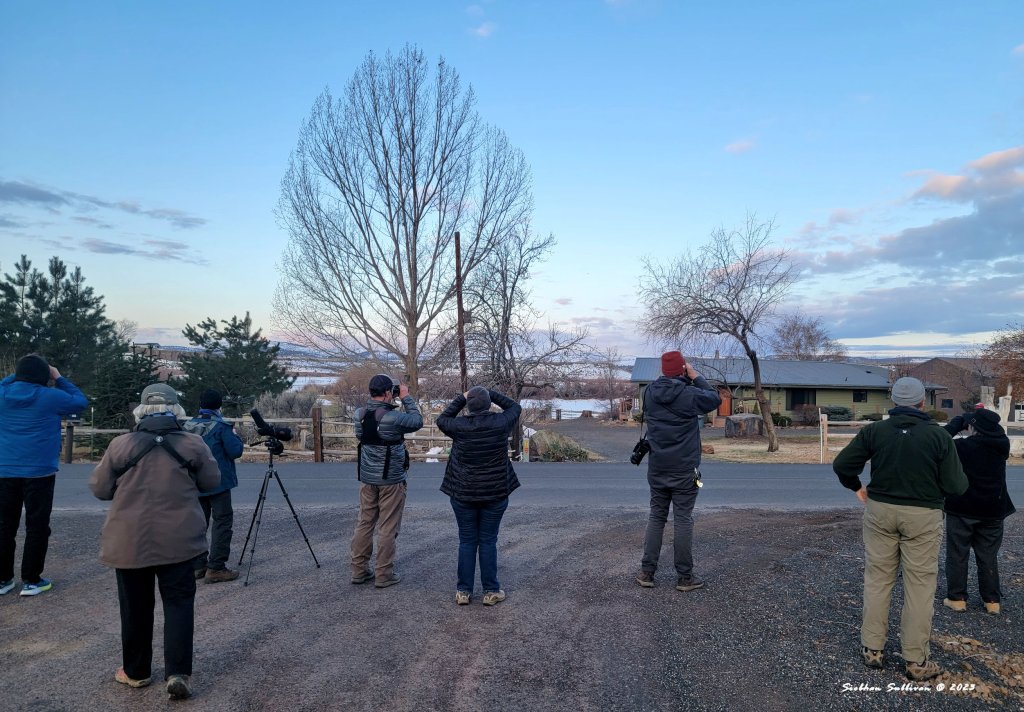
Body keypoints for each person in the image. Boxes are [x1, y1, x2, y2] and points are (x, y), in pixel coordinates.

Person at [89, 383, 221, 700]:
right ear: (176, 411)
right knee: (178, 604)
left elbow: (100, 489)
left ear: (141, 411)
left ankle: (136, 672)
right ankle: (178, 672)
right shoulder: (193, 444)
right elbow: (211, 482)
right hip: (179, 539)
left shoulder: (120, 445)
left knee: (135, 607)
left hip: (129, 540)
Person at [833, 376, 968, 681]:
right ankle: (916, 661)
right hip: (923, 515)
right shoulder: (938, 437)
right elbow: (956, 485)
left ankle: (872, 649)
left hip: (880, 511)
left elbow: (843, 465)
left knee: (878, 579)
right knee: (919, 585)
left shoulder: (875, 431)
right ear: (924, 403)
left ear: (893, 402)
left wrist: (857, 487)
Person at [0, 354, 87, 597]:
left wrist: (18, 374)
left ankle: (3, 579)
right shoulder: (50, 397)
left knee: (4, 526)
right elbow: (80, 401)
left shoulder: (3, 394)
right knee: (37, 526)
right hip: (40, 471)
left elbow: (6, 383)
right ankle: (31, 579)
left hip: (4, 469)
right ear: (43, 376)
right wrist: (57, 376)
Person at [636, 351, 722, 592]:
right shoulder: (690, 395)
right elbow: (714, 399)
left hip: (658, 467)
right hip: (685, 469)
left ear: (663, 370)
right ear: (683, 369)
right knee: (683, 519)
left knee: (656, 517)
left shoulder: (650, 393)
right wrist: (695, 376)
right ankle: (685, 577)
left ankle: (647, 572)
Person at [436, 386, 522, 606]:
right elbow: (514, 406)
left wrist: (462, 398)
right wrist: (491, 392)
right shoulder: (501, 423)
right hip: (495, 493)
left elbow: (442, 418)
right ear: (488, 404)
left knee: (466, 541)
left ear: (469, 406)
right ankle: (491, 590)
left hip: (463, 492)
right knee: (487, 541)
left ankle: (463, 591)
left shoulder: (459, 426)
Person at [351, 374, 422, 588]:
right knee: (387, 527)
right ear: (388, 393)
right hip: (391, 480)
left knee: (365, 523)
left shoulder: (359, 414)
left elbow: (360, 436)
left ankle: (359, 570)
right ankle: (384, 574)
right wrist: (406, 397)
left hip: (367, 478)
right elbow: (417, 421)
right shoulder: (393, 418)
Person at [941, 408, 1015, 615]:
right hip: (993, 508)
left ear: (973, 427)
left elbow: (941, 440)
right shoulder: (1002, 445)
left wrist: (959, 422)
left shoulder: (962, 446)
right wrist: (976, 421)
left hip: (962, 507)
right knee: (988, 555)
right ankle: (992, 600)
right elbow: (994, 432)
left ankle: (957, 598)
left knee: (957, 553)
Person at [183, 389, 245, 583]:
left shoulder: (186, 426)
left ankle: (197, 565)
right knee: (222, 523)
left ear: (201, 404)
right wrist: (236, 437)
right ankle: (216, 567)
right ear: (219, 405)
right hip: (219, 483)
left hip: (194, 483)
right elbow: (235, 451)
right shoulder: (221, 426)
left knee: (197, 524)